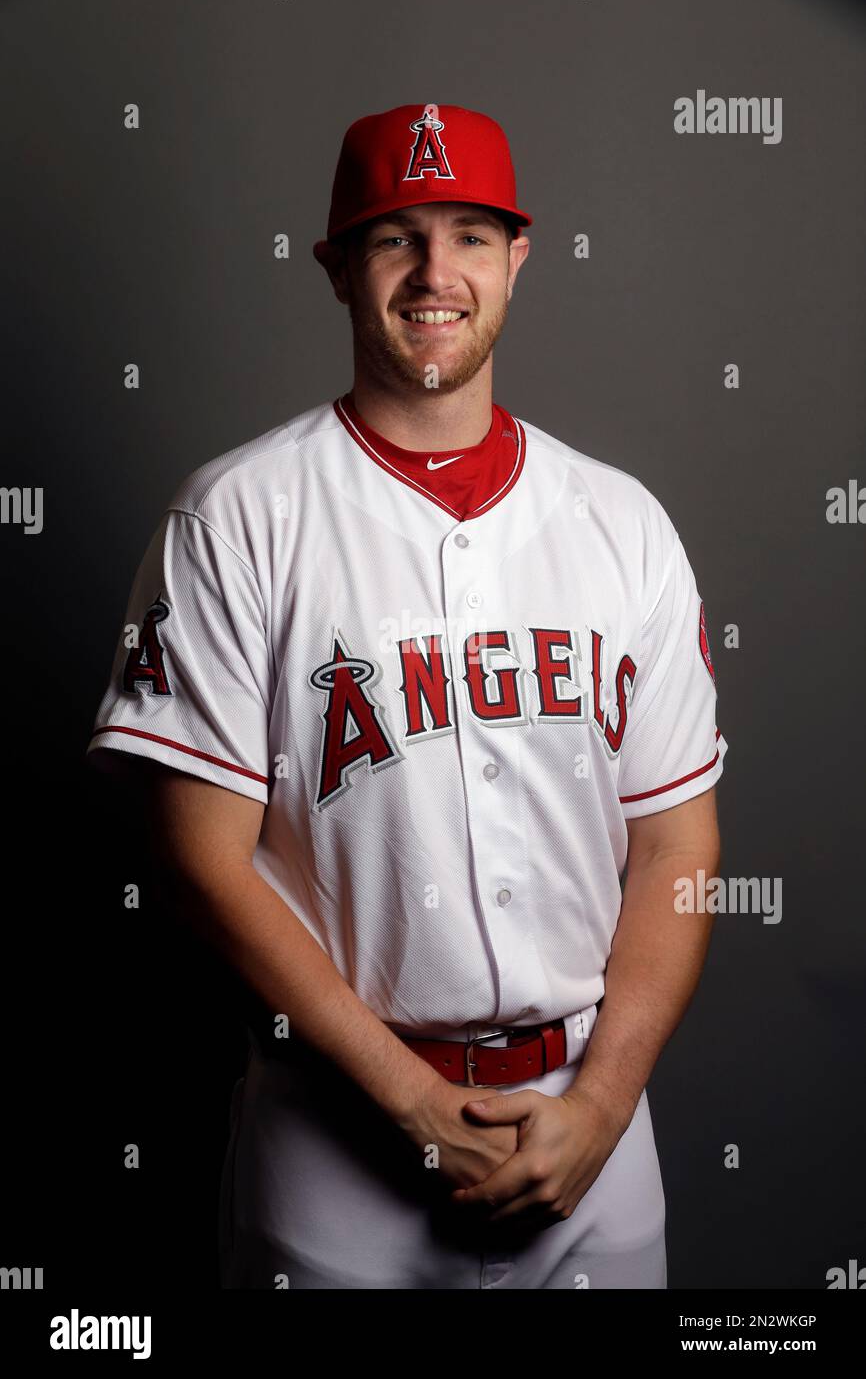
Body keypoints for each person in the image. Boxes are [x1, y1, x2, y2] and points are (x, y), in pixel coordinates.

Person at [86, 102, 727, 1289]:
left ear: (516, 259)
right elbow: (198, 858)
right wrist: (413, 1104)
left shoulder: (622, 525)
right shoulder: (235, 519)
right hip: (336, 1146)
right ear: (335, 267)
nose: (437, 273)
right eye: (396, 236)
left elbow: (677, 844)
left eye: (472, 234)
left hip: (590, 1128)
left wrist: (600, 1102)